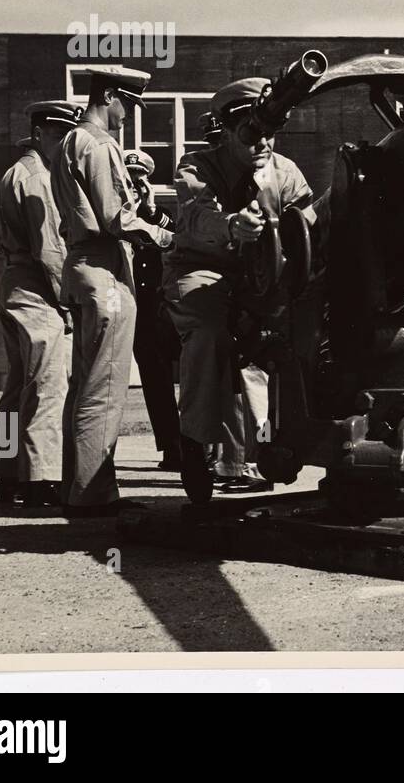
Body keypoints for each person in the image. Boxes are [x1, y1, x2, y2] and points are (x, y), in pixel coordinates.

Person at [164, 78, 318, 504]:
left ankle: (267, 451)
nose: (263, 143)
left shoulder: (285, 172)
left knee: (291, 342)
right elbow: (194, 217)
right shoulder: (198, 166)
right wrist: (232, 225)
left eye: (270, 134)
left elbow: (308, 227)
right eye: (252, 134)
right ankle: (194, 444)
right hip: (203, 271)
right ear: (229, 132)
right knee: (211, 335)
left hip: (264, 279)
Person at [50, 68, 172, 517]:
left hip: (81, 264)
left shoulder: (68, 141)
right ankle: (93, 494)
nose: (127, 116)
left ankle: (77, 488)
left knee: (84, 385)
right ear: (108, 96)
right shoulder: (99, 144)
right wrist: (164, 238)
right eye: (126, 105)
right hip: (105, 267)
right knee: (103, 388)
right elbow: (117, 217)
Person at [0, 100, 83, 506]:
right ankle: (39, 478)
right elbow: (50, 250)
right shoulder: (38, 178)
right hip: (35, 286)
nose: (64, 144)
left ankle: (10, 474)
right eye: (59, 135)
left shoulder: (19, 171)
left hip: (14, 281)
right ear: (41, 132)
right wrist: (69, 300)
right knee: (47, 384)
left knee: (17, 389)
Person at [124, 150, 181, 472]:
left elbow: (174, 238)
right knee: (155, 383)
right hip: (139, 310)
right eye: (128, 180)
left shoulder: (161, 215)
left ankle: (196, 446)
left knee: (188, 378)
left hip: (166, 306)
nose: (134, 186)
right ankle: (171, 448)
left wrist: (151, 207)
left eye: (139, 180)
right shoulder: (114, 213)